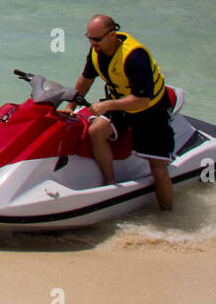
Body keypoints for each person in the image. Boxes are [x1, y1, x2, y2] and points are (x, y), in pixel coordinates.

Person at [69, 14, 174, 210]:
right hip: (121, 103)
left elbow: (142, 100)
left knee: (158, 170)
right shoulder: (96, 51)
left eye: (97, 39)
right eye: (89, 38)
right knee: (96, 132)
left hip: (151, 110)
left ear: (112, 34)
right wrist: (70, 106)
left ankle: (168, 216)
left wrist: (107, 106)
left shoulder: (134, 57)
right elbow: (86, 79)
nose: (92, 43)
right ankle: (111, 185)